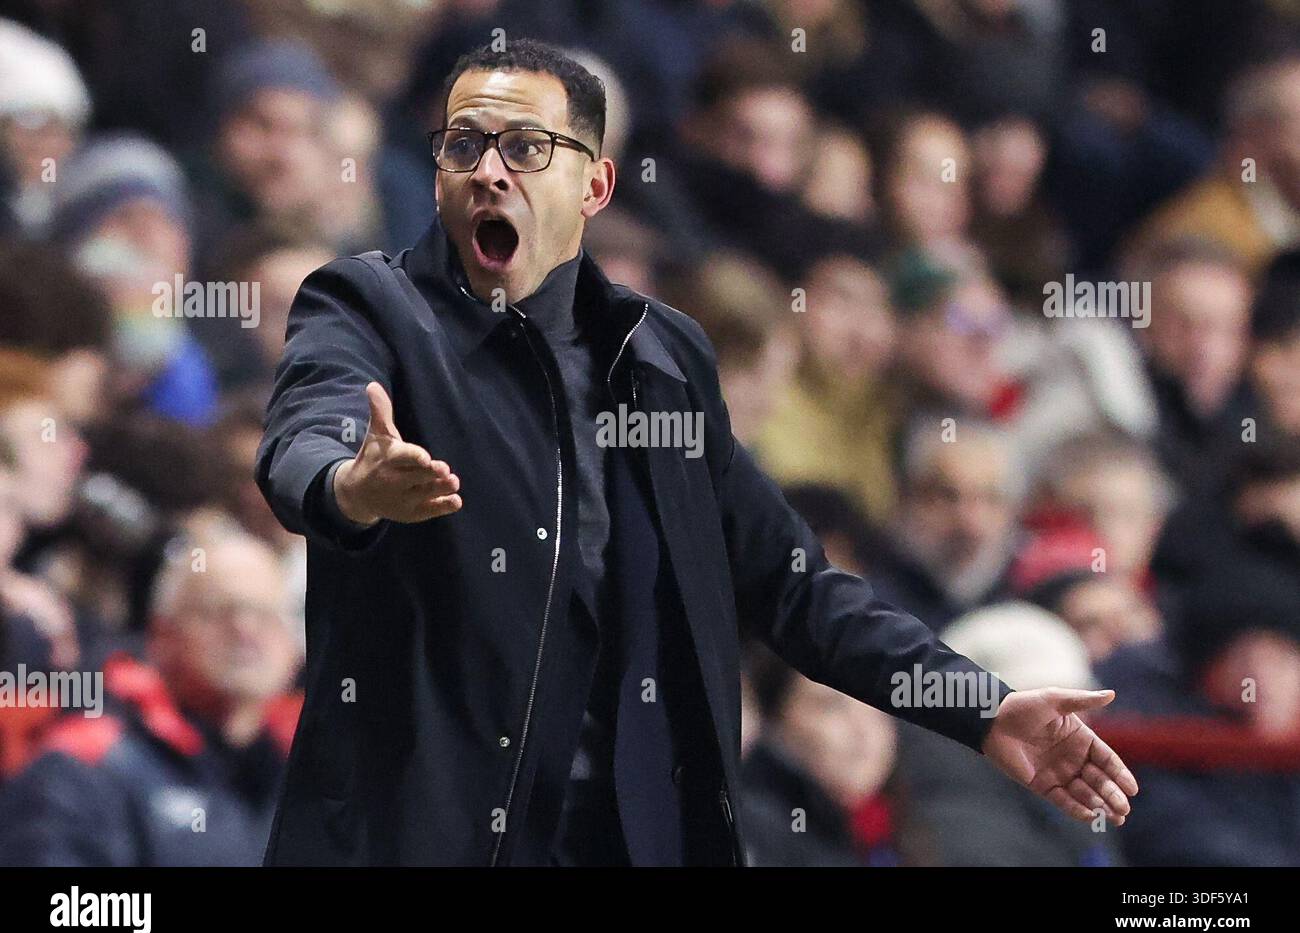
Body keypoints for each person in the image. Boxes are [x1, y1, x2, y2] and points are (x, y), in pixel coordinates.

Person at [256, 38, 1138, 867]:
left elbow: (794, 585)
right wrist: (349, 487)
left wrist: (982, 708)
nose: (487, 171)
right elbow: (311, 431)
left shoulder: (660, 358)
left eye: (525, 147)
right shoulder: (369, 305)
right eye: (462, 145)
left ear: (595, 186)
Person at [0, 523, 302, 865]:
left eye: (267, 614)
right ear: (161, 635)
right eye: (220, 610)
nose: (246, 631)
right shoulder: (86, 763)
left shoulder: (308, 774)